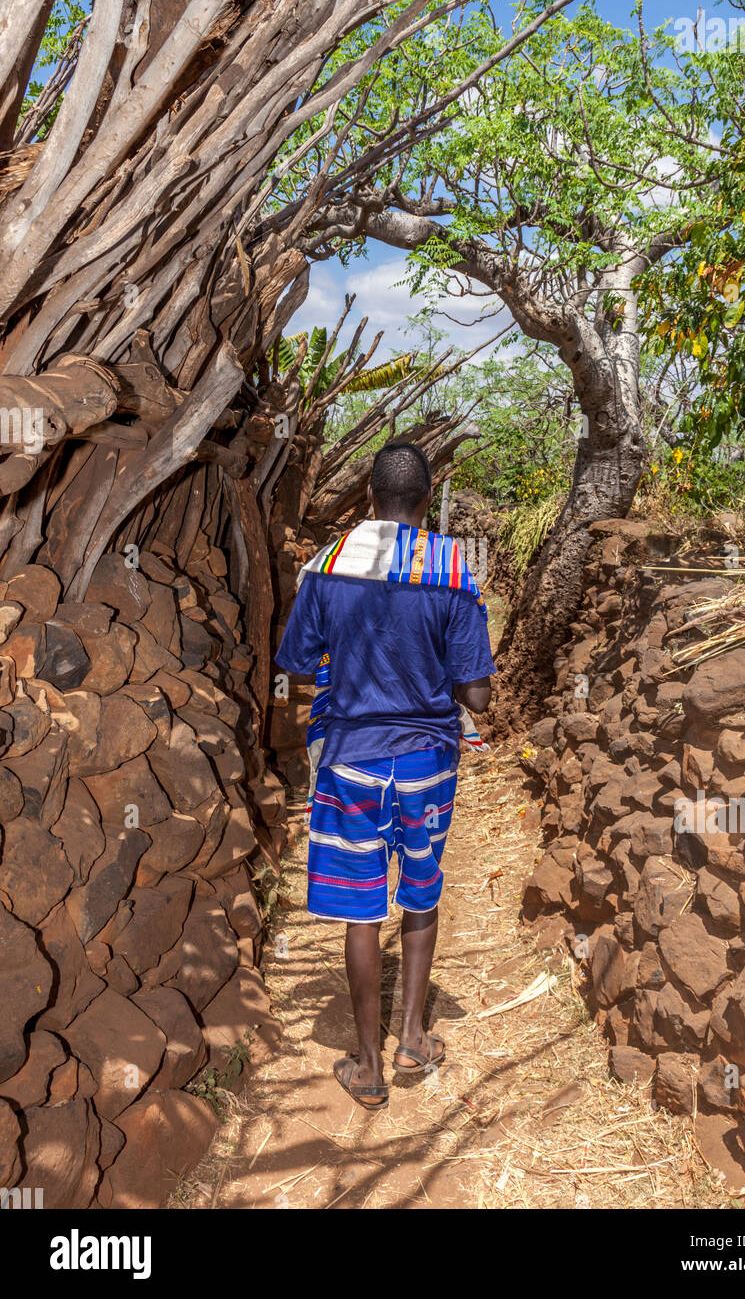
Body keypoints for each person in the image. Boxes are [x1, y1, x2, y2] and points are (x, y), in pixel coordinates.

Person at [274, 442, 495, 1110]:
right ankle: (411, 1038)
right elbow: (478, 698)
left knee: (361, 906)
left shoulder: (328, 565)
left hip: (348, 759)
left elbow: (296, 665)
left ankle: (367, 1068)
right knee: (420, 895)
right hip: (427, 760)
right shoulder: (453, 571)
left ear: (368, 497)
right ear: (426, 502)